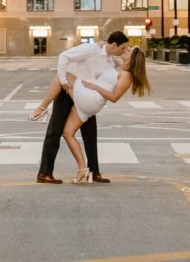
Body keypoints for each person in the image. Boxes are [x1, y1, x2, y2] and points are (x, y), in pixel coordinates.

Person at [36, 31, 128, 185]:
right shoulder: (90, 49)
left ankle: (94, 172)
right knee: (55, 131)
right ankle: (44, 173)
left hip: (86, 96)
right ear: (114, 45)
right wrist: (63, 80)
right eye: (123, 48)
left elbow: (126, 67)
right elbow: (64, 56)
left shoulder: (111, 60)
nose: (124, 51)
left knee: (90, 135)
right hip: (68, 92)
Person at [62, 46, 149, 183]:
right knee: (67, 133)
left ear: (133, 58)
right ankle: (82, 168)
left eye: (129, 50)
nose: (126, 49)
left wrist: (95, 87)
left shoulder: (127, 75)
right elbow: (105, 54)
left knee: (64, 73)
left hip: (92, 97)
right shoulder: (119, 66)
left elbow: (114, 97)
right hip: (89, 100)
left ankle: (41, 108)